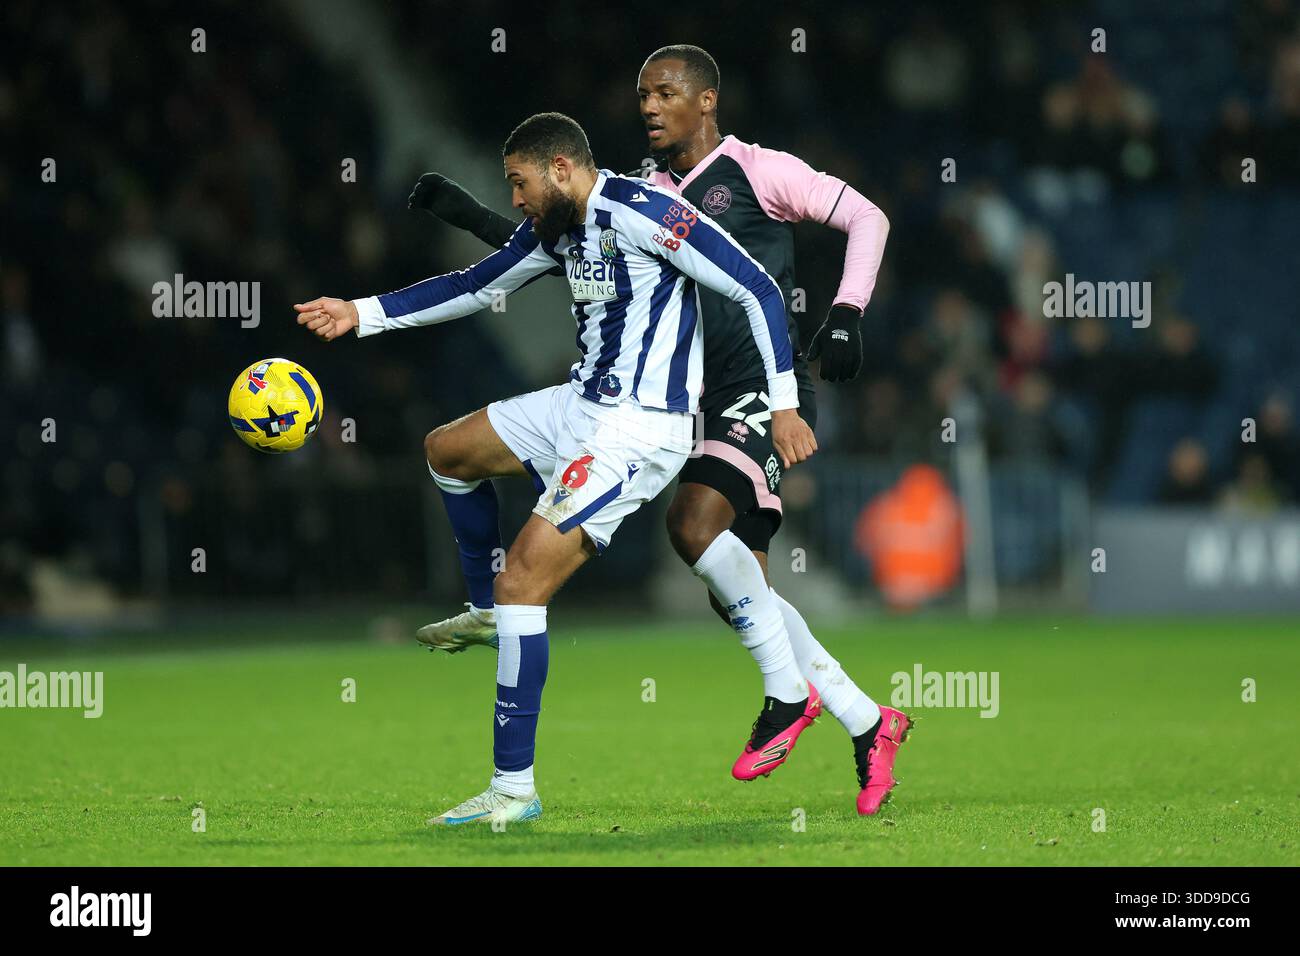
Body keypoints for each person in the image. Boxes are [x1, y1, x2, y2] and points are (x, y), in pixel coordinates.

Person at [409, 45, 911, 816]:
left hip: (757, 390)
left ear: (706, 101)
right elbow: (566, 253)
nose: (647, 105)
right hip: (678, 401)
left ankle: (790, 698)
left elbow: (866, 217)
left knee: (694, 523)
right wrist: (475, 217)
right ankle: (868, 720)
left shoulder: (760, 171)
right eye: (641, 93)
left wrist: (846, 311)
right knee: (736, 579)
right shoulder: (637, 193)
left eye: (665, 92)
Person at [295, 111, 818, 825]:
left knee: (525, 584)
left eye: (519, 182)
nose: (514, 199)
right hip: (580, 402)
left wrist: (784, 405)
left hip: (636, 429)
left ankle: (512, 790)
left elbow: (755, 285)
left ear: (562, 167)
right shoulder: (555, 229)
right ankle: (486, 607)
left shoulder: (645, 212)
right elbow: (478, 283)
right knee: (447, 449)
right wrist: (361, 311)